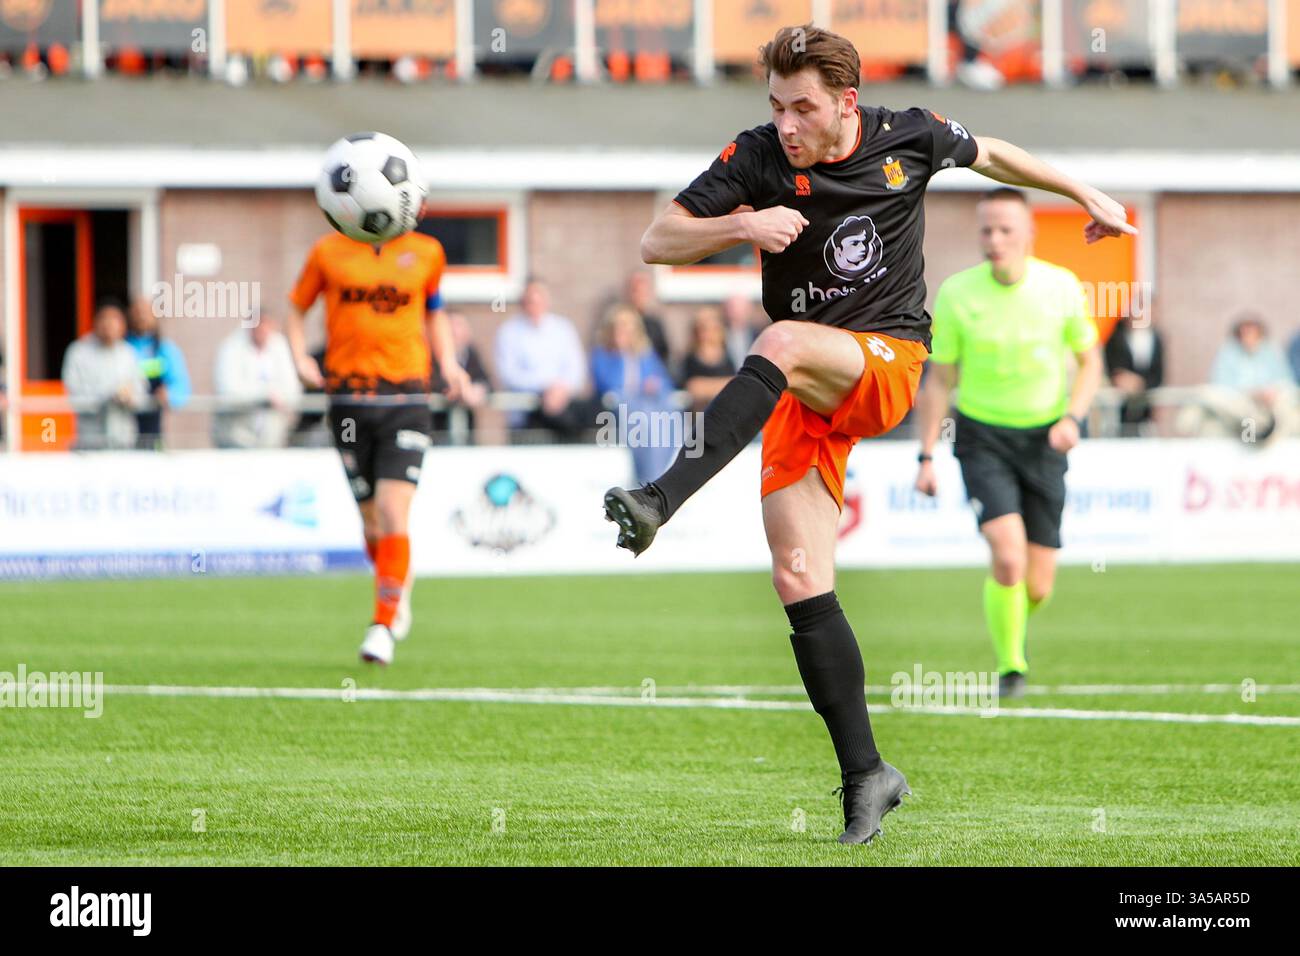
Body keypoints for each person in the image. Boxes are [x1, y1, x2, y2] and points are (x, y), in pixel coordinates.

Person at [601, 24, 1133, 845]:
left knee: (775, 339)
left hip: (885, 361)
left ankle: (659, 499)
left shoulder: (906, 136)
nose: (786, 123)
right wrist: (741, 226)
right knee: (798, 576)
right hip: (801, 389)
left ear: (846, 102)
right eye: (776, 106)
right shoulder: (756, 156)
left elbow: (991, 151)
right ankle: (868, 776)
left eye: (802, 107)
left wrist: (1083, 194)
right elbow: (657, 240)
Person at [914, 188, 1104, 697]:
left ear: (1028, 234)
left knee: (1037, 585)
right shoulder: (956, 293)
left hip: (1046, 439)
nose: (994, 240)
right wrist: (927, 454)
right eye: (986, 230)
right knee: (1008, 559)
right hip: (982, 437)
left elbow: (1090, 363)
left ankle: (1012, 619)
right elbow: (939, 381)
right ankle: (1010, 667)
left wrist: (1074, 417)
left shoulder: (1061, 287)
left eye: (1005, 230)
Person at [288, 226, 470, 666]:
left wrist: (448, 364)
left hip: (406, 398)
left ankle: (382, 624)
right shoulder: (327, 250)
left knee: (393, 510)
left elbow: (434, 311)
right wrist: (299, 359)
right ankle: (397, 581)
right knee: (372, 523)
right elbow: (296, 309)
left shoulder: (427, 252)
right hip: (349, 401)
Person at [493, 278, 590, 442]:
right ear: (523, 302)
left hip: (564, 414)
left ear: (547, 301)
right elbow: (508, 374)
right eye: (531, 301)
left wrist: (561, 390)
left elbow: (576, 369)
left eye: (539, 300)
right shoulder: (508, 332)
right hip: (526, 417)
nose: (535, 306)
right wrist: (546, 386)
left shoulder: (563, 328)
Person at [591, 303, 678, 483]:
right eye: (619, 329)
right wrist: (622, 355)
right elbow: (608, 386)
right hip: (622, 409)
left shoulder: (645, 355)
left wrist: (654, 385)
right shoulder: (603, 355)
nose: (623, 334)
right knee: (643, 420)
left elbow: (664, 382)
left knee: (667, 417)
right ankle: (649, 478)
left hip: (651, 406)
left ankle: (661, 473)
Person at [1197, 314, 1299, 442]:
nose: (1248, 338)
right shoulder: (1228, 352)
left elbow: (1284, 380)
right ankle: (1253, 429)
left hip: (1269, 405)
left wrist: (1269, 392)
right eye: (1244, 333)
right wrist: (1249, 393)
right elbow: (1220, 382)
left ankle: (1262, 430)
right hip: (1239, 404)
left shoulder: (1271, 351)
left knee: (1289, 397)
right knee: (1207, 395)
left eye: (1252, 333)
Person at [62, 300, 148, 450]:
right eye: (104, 318)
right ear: (95, 322)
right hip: (90, 441)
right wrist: (110, 395)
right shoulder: (79, 352)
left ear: (123, 325)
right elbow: (74, 395)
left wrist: (130, 397)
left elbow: (141, 392)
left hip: (124, 441)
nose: (109, 325)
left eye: (115, 319)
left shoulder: (128, 353)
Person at [213, 313, 303, 449]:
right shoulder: (232, 347)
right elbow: (228, 391)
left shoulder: (278, 346)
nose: (262, 332)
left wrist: (277, 397)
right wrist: (264, 395)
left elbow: (293, 389)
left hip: (273, 438)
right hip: (236, 437)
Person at [126, 296, 191, 449]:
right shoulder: (122, 348)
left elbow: (181, 385)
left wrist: (170, 394)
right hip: (123, 427)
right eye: (137, 312)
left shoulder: (165, 349)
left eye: (146, 312)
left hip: (152, 429)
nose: (141, 316)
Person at [429, 311, 491, 440]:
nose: (455, 332)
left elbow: (485, 380)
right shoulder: (431, 356)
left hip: (467, 428)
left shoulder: (471, 354)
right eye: (451, 327)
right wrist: (459, 389)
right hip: (439, 428)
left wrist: (478, 389)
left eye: (459, 326)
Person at [1105, 306, 1164, 437]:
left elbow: (1159, 373)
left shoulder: (1156, 339)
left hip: (1146, 406)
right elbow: (1111, 365)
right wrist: (1120, 378)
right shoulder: (1116, 336)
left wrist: (1140, 383)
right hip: (1120, 405)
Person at [678, 305, 735, 411]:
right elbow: (693, 388)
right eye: (703, 329)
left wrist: (706, 387)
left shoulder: (727, 358)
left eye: (713, 329)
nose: (708, 334)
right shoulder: (690, 359)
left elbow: (734, 385)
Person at [623, 269, 673, 365]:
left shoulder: (654, 325)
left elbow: (664, 356)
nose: (639, 296)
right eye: (635, 291)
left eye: (643, 292)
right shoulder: (618, 323)